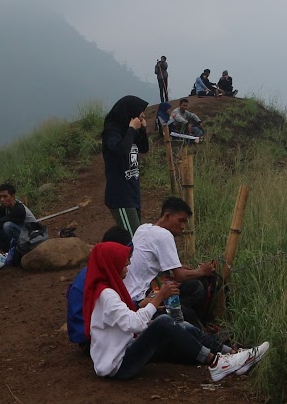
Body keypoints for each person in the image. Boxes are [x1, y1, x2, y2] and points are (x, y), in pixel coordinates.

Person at [84, 241, 268, 381]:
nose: (128, 268)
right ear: (112, 266)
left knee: (182, 326)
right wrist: (158, 299)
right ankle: (216, 363)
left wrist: (152, 307)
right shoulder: (107, 295)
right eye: (124, 265)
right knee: (164, 322)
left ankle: (232, 354)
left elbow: (128, 322)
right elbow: (134, 324)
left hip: (125, 351)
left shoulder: (108, 290)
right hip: (119, 366)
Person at [126, 197, 219, 328]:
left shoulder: (143, 228)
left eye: (185, 222)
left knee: (191, 285)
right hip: (141, 297)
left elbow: (151, 262)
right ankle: (183, 319)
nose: (182, 227)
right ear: (167, 216)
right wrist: (201, 271)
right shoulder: (164, 235)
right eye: (180, 220)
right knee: (197, 288)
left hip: (130, 294)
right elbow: (179, 275)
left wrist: (182, 268)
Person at [102, 95, 151, 235]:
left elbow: (144, 148)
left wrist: (141, 130)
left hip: (133, 193)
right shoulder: (111, 132)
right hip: (120, 196)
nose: (143, 115)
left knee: (135, 237)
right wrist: (131, 129)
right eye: (140, 111)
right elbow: (121, 151)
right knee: (134, 239)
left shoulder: (128, 131)